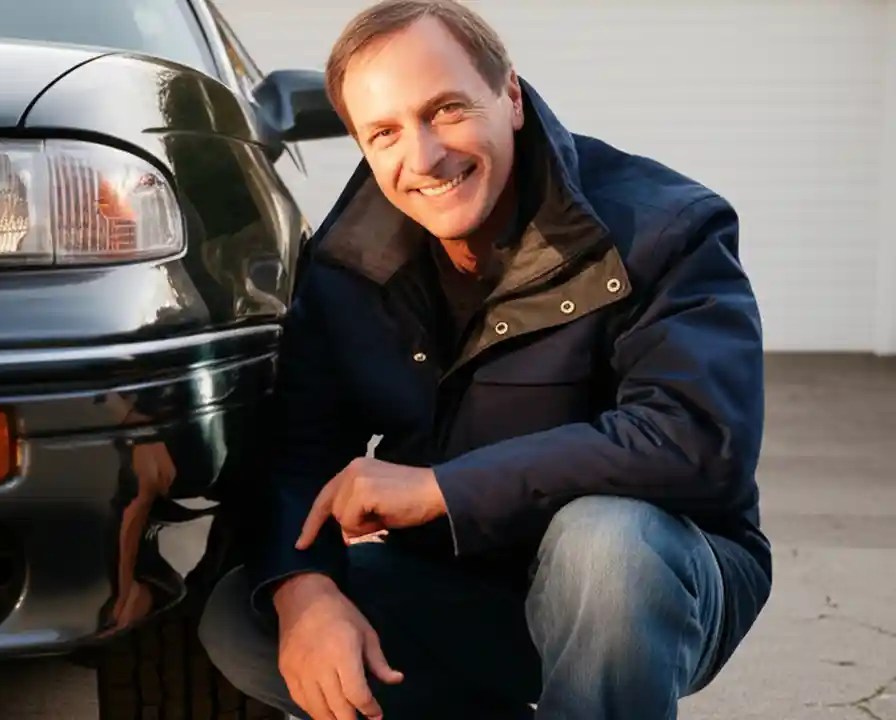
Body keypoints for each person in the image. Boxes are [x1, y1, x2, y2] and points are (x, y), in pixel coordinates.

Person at [198, 0, 773, 718]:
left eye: (444, 110)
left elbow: (695, 440)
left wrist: (442, 489)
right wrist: (304, 590)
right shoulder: (351, 263)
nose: (423, 158)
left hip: (659, 574)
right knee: (244, 616)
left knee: (604, 545)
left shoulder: (663, 228)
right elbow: (299, 447)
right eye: (384, 133)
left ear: (510, 96)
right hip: (466, 573)